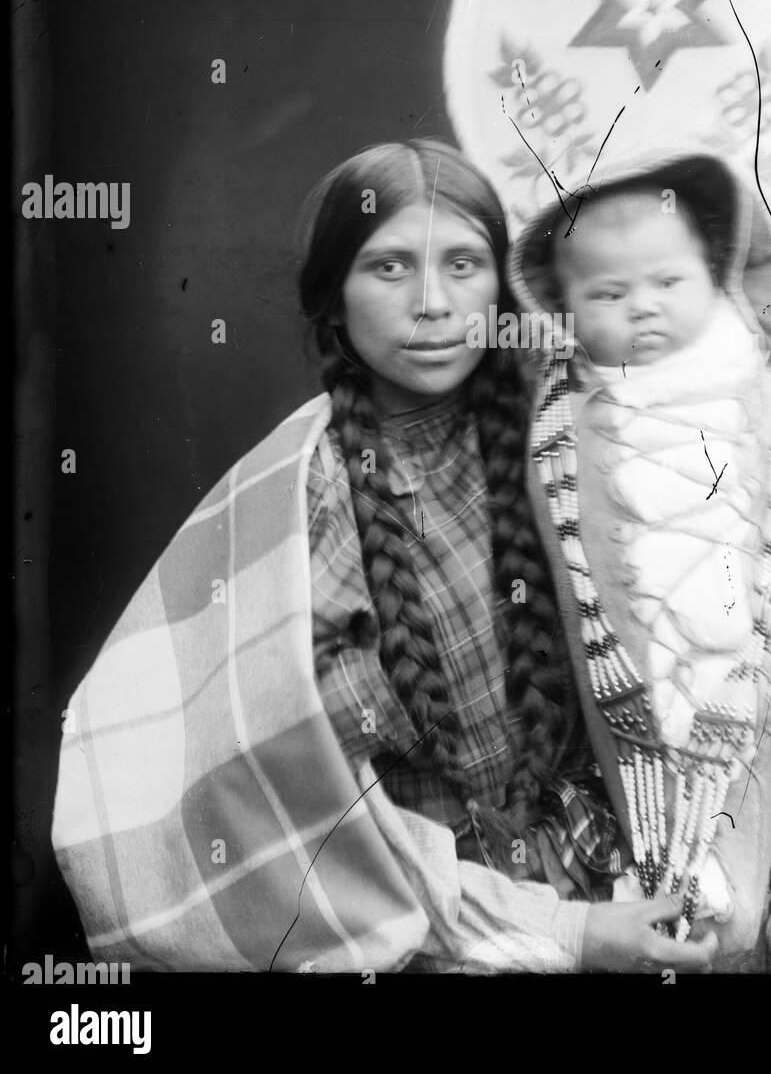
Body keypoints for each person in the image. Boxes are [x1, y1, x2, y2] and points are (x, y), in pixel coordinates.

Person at [50, 138, 719, 975]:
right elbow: (315, 825)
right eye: (391, 268)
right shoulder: (303, 498)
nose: (433, 303)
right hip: (447, 916)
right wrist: (568, 933)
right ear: (333, 299)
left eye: (465, 263)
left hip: (625, 856)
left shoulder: (568, 424)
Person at [511, 150, 771, 972]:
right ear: (560, 306)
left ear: (717, 266)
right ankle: (684, 881)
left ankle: (739, 884)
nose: (644, 309)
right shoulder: (564, 426)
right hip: (630, 750)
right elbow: (586, 599)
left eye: (668, 281)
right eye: (607, 294)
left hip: (747, 710)